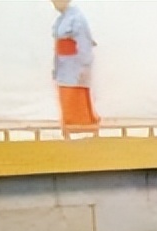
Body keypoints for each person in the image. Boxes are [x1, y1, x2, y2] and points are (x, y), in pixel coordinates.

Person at [51, 0, 99, 135]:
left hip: (75, 68)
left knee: (77, 103)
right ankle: (68, 133)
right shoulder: (62, 18)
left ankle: (85, 134)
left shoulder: (77, 18)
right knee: (66, 103)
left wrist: (84, 67)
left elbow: (84, 43)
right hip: (63, 67)